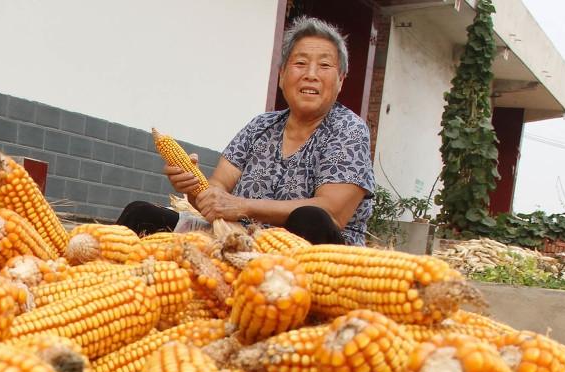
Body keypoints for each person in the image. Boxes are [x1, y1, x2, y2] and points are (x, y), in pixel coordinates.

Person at [117, 16, 375, 246]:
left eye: (324, 66)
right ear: (282, 74)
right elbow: (218, 187)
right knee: (141, 213)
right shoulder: (260, 126)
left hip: (310, 253)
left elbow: (331, 212)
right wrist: (197, 188)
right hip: (241, 239)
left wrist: (240, 206)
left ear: (340, 80)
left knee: (310, 218)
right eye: (300, 63)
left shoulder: (348, 130)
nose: (311, 74)